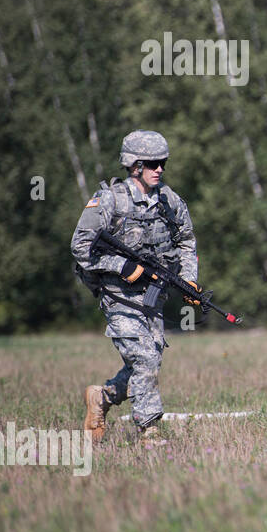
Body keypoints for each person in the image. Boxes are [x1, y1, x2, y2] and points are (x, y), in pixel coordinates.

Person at [72, 130, 199, 443]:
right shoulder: (108, 200)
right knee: (143, 360)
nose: (160, 169)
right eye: (152, 164)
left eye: (162, 163)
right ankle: (149, 430)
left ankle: (103, 397)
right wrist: (122, 266)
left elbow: (186, 240)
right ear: (134, 165)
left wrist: (189, 278)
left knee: (149, 364)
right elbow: (80, 245)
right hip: (117, 294)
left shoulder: (170, 201)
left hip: (153, 295)